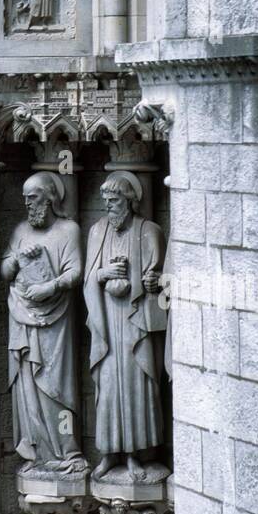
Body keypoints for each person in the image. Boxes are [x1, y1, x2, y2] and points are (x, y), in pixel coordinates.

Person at [83, 170, 167, 482]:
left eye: (114, 200)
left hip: (135, 325)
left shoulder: (149, 231)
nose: (109, 206)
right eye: (105, 201)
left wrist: (153, 282)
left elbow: (161, 279)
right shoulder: (97, 231)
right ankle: (108, 454)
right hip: (106, 324)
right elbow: (88, 279)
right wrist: (103, 274)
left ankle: (136, 455)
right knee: (107, 388)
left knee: (137, 388)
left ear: (129, 200)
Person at [1, 172, 87, 476]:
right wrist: (15, 261)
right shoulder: (21, 230)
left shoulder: (68, 231)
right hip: (22, 316)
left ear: (51, 197)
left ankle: (67, 451)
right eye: (25, 198)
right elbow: (5, 269)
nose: (27, 203)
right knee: (27, 383)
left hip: (55, 318)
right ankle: (37, 452)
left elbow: (76, 273)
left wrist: (48, 288)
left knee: (55, 384)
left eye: (33, 197)